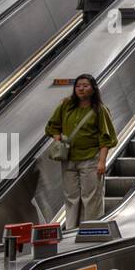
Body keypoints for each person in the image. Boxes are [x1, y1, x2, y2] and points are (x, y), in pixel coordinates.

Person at [45, 73, 117, 229]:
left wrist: (102, 162)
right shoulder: (66, 106)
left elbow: (106, 138)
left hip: (91, 159)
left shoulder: (100, 110)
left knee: (91, 198)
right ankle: (71, 231)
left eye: (85, 86)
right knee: (71, 197)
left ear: (93, 89)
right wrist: (58, 138)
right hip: (68, 159)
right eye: (78, 86)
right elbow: (51, 126)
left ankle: (91, 229)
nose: (81, 89)